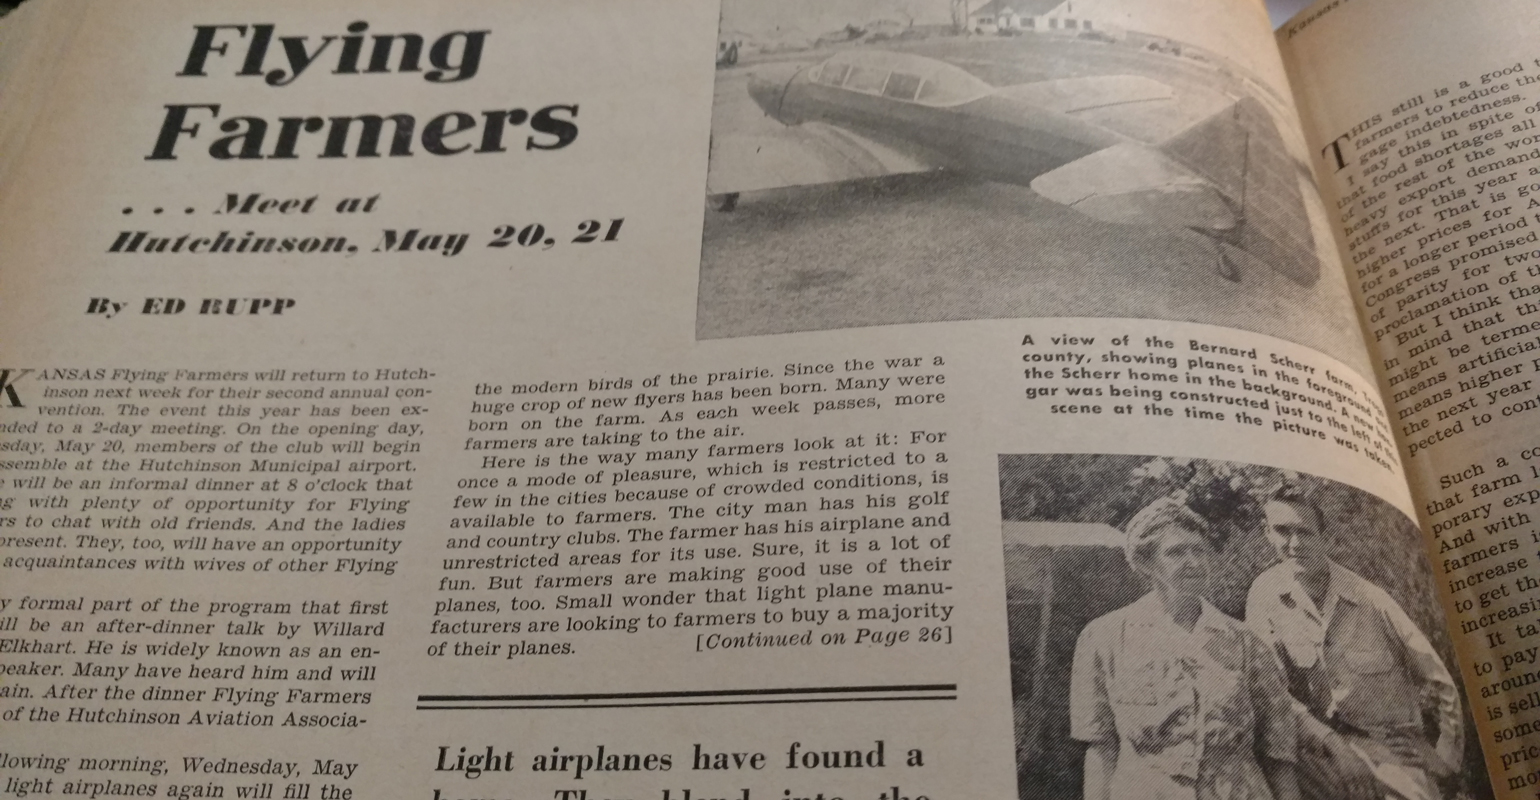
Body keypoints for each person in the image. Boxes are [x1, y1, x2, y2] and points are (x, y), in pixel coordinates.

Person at [1071, 496, 1299, 800]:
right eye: (1176, 552)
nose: (1193, 562)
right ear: (1145, 563)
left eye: (1199, 551)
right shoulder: (1104, 638)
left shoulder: (1246, 642)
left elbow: (1278, 755)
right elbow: (1101, 748)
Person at [1246, 486, 1461, 800]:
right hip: (1317, 751)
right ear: (1267, 532)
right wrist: (1331, 745)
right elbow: (1270, 691)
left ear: (1324, 535)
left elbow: (1440, 680)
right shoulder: (1264, 595)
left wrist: (1444, 757)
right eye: (1282, 531)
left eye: (1305, 532)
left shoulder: (1369, 599)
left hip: (1388, 748)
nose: (1294, 544)